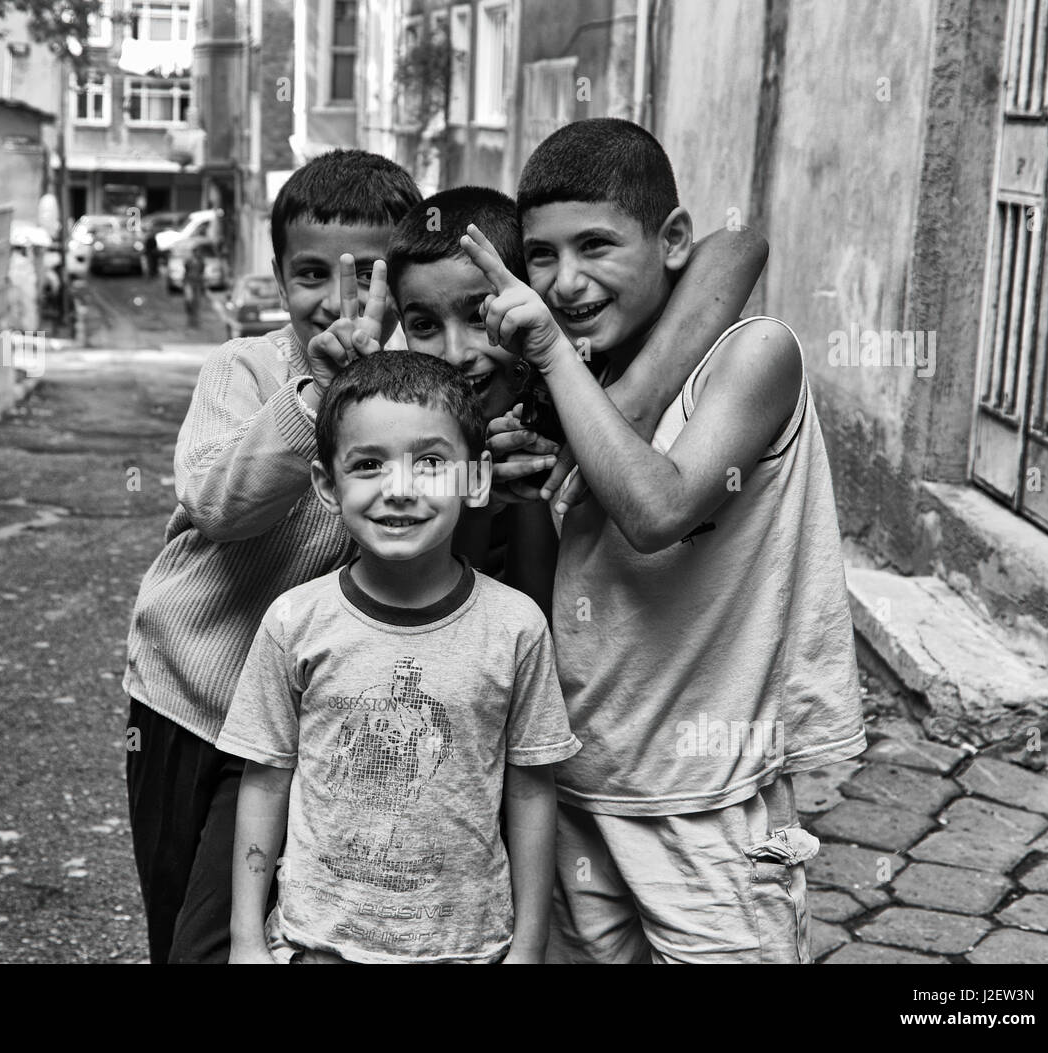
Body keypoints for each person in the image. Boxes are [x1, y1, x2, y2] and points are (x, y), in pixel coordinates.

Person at [464, 117, 866, 964]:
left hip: (708, 807)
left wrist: (551, 353)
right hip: (579, 789)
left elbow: (658, 510)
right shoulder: (584, 383)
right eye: (543, 256)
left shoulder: (753, 354)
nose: (566, 282)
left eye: (597, 246)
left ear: (672, 239)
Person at [122, 149, 422, 964]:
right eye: (310, 274)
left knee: (228, 938)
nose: (336, 303)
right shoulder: (244, 369)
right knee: (175, 919)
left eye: (366, 277)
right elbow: (220, 504)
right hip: (187, 699)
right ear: (279, 276)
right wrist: (320, 394)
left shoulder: (424, 402)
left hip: (300, 725)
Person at [219, 351, 579, 963]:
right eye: (367, 465)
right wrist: (246, 939)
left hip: (464, 950)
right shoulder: (294, 622)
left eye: (432, 463)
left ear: (476, 481)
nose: (400, 488)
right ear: (327, 486)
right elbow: (265, 778)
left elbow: (531, 790)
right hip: (319, 945)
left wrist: (529, 946)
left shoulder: (516, 627)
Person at [384, 184, 769, 612]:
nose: (455, 354)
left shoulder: (579, 366)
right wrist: (479, 498)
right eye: (424, 327)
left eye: (480, 317)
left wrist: (632, 397)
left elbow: (740, 244)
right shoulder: (409, 420)